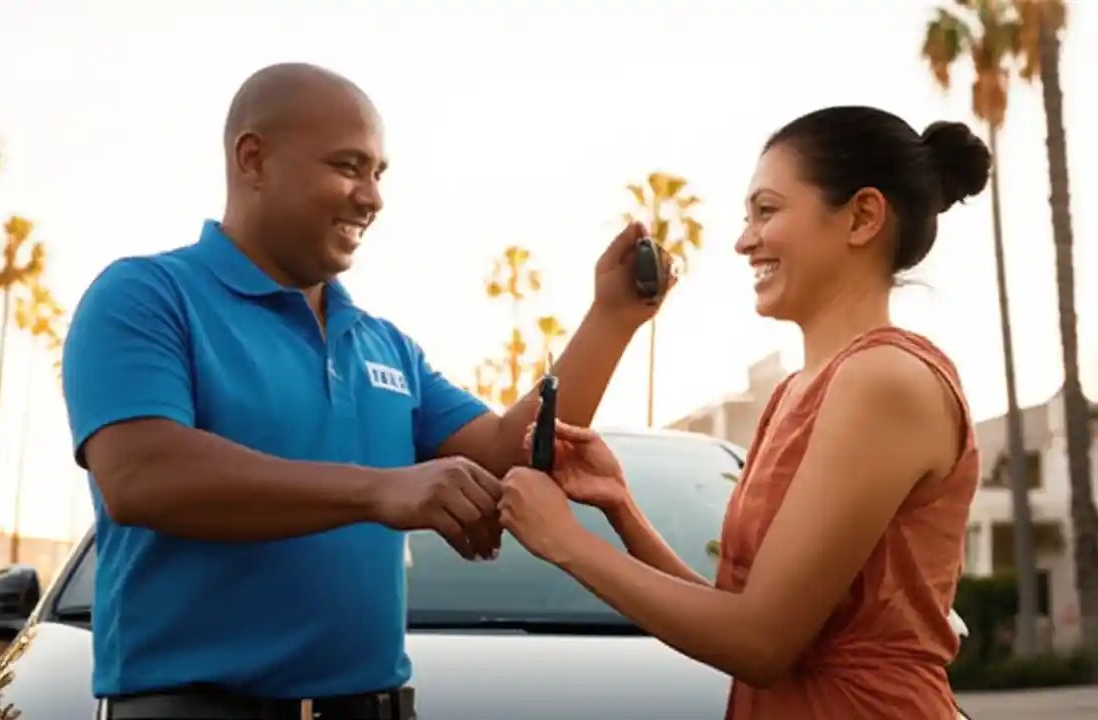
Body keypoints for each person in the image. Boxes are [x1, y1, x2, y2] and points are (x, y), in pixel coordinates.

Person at [61, 62, 673, 720]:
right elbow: (140, 474)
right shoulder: (146, 296)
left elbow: (510, 453)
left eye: (378, 173)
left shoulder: (385, 346)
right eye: (348, 166)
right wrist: (381, 489)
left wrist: (611, 319)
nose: (372, 197)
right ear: (253, 159)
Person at [497, 105, 990, 719]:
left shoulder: (885, 380)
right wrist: (623, 510)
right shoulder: (795, 392)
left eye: (767, 210)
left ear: (862, 217)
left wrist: (565, 541)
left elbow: (760, 643)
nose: (743, 240)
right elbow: (736, 617)